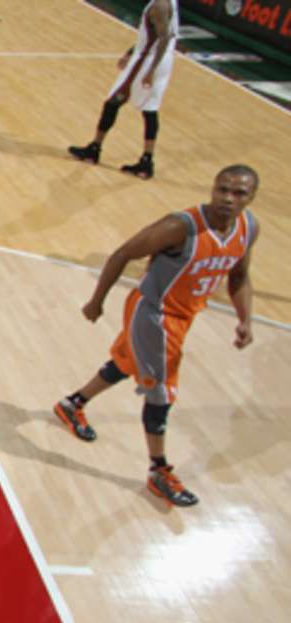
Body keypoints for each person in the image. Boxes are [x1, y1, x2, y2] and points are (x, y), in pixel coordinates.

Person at [53, 165, 259, 507]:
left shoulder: (248, 228)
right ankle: (158, 471)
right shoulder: (180, 226)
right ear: (212, 187)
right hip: (153, 315)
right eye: (222, 189)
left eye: (238, 193)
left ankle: (72, 405)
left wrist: (245, 320)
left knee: (127, 363)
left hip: (183, 316)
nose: (228, 198)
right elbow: (122, 253)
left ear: (251, 198)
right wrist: (96, 301)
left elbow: (238, 276)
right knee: (160, 393)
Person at [68, 0, 177, 180]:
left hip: (148, 62)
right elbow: (158, 37)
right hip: (160, 60)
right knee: (150, 109)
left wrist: (150, 70)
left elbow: (163, 37)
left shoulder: (160, 5)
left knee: (113, 101)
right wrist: (130, 52)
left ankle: (94, 149)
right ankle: (146, 161)